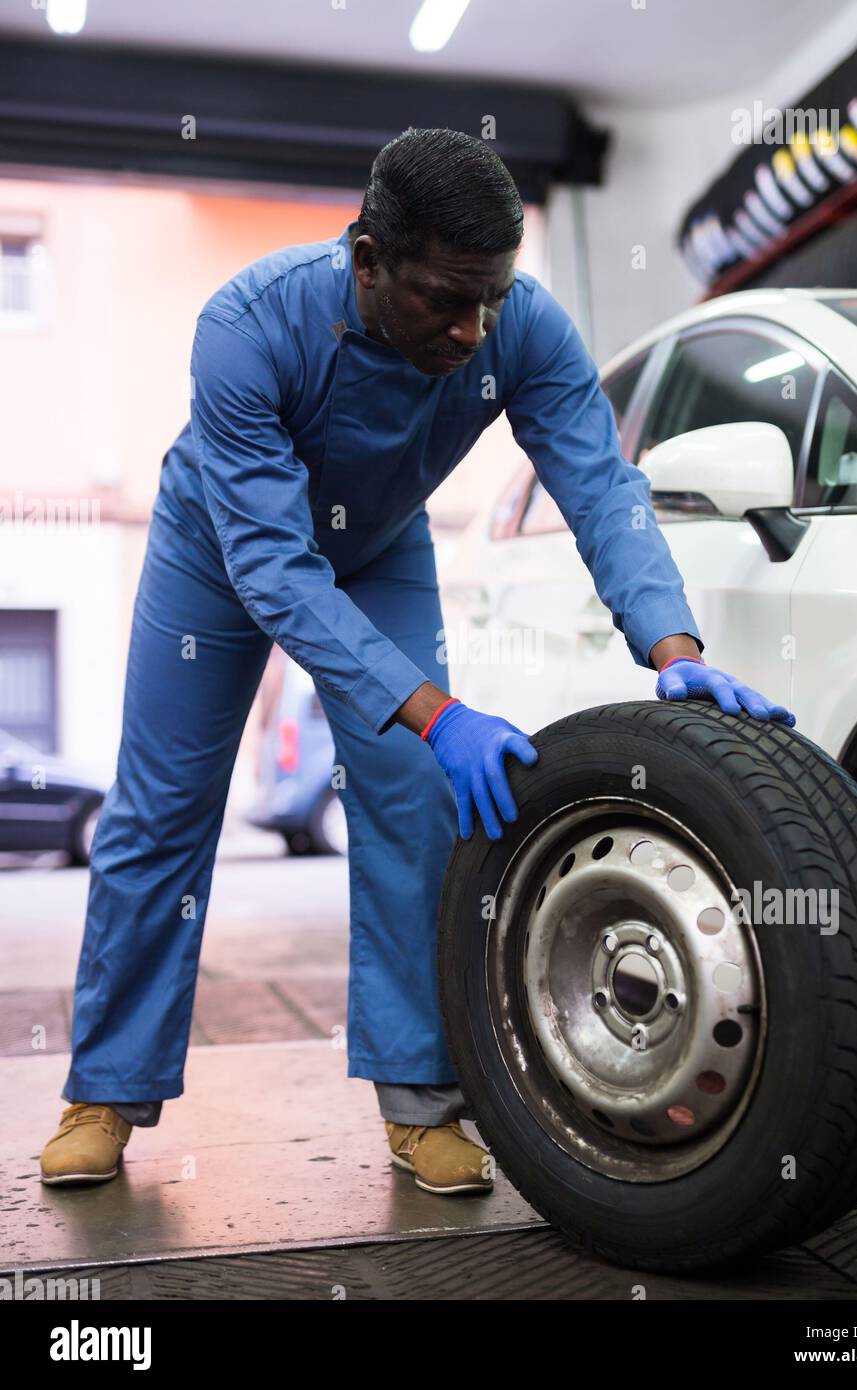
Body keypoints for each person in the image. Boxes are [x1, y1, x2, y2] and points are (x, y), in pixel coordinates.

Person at [40, 127, 793, 1196]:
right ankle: (105, 1089)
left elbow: (597, 483)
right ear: (365, 259)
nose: (469, 328)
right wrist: (439, 710)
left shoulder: (519, 326)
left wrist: (671, 644)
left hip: (380, 542)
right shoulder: (248, 327)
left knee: (409, 803)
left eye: (487, 299)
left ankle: (418, 1100)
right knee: (161, 808)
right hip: (217, 549)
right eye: (444, 298)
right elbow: (275, 570)